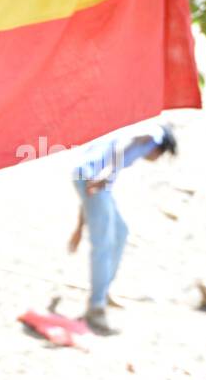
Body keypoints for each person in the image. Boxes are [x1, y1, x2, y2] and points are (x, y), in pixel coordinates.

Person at [67, 124, 178, 335]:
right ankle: (96, 307)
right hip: (94, 178)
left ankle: (103, 290)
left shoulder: (118, 154)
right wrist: (107, 173)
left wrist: (80, 227)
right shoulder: (155, 136)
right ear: (161, 149)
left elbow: (89, 190)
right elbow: (127, 143)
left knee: (120, 232)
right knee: (102, 245)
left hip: (91, 180)